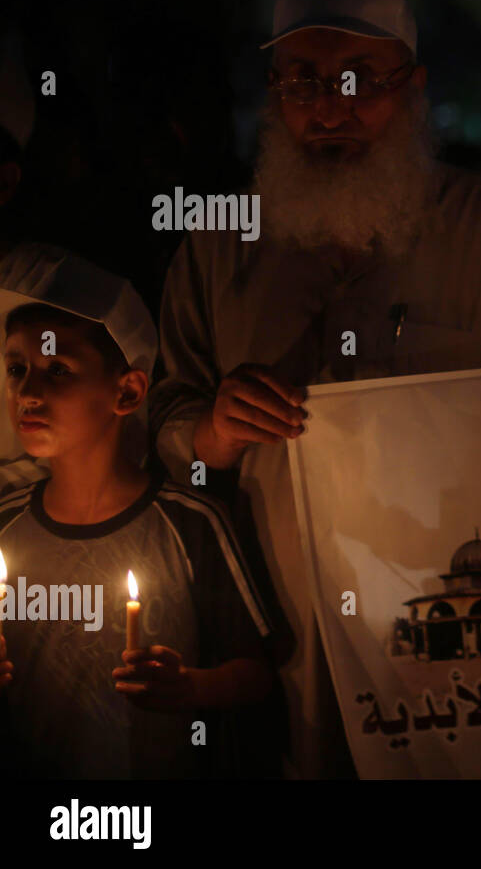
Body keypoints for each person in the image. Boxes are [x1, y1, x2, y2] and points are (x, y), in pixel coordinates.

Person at [150, 0, 481, 778]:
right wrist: (216, 432)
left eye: (358, 79)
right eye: (303, 81)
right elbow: (163, 423)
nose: (329, 109)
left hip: (462, 622)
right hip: (274, 631)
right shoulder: (218, 242)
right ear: (274, 98)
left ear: (411, 86)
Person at [0, 246, 275, 778]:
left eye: (57, 370)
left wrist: (191, 686)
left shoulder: (191, 522)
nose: (28, 393)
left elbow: (257, 671)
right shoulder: (5, 525)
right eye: (17, 368)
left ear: (127, 391)